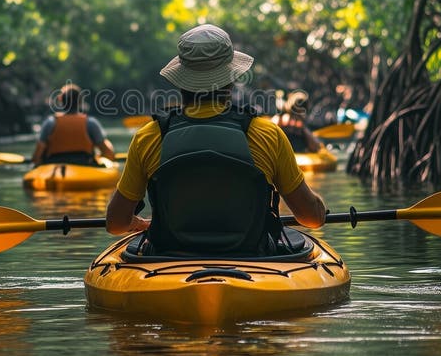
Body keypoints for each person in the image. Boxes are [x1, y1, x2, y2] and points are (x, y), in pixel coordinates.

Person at [106, 24, 326, 254]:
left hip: (169, 259)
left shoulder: (148, 137)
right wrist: (318, 205)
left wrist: (139, 224)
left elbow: (115, 223)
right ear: (230, 79)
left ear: (181, 80)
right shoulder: (268, 135)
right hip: (250, 259)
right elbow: (312, 219)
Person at [32, 83, 116, 166]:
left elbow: (36, 157)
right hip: (85, 166)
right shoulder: (90, 123)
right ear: (80, 102)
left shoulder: (50, 123)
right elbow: (108, 153)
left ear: (61, 102)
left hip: (54, 167)